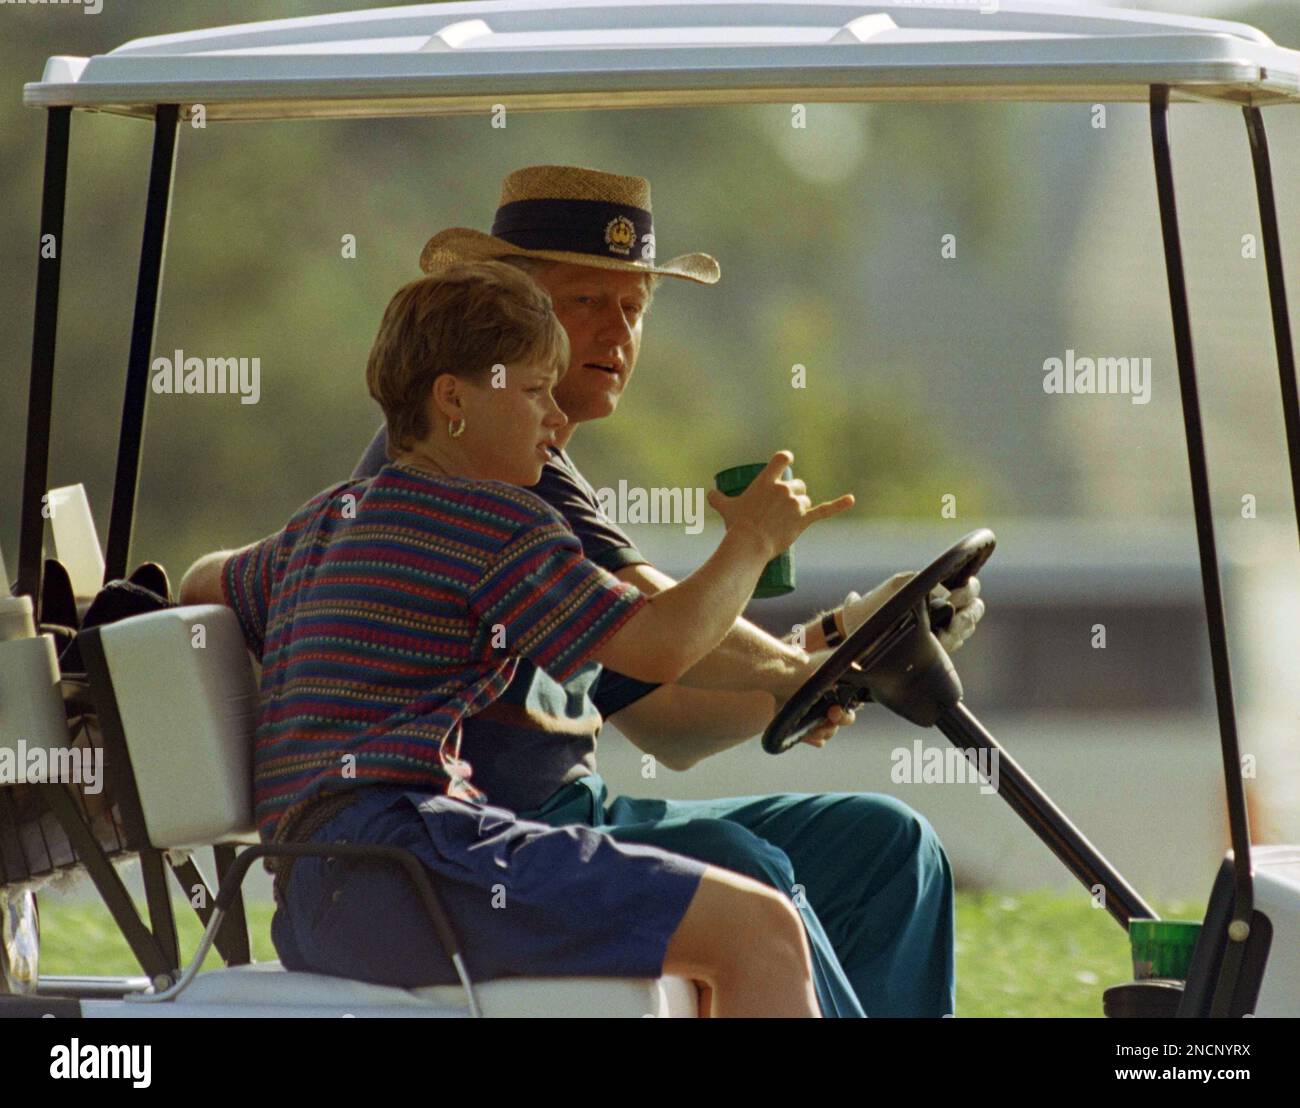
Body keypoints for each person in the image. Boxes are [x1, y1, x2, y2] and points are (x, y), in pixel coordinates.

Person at [349, 165, 985, 1017]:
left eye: (634, 309)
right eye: (585, 303)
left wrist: (829, 655)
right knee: (742, 868)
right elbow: (663, 628)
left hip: (573, 813)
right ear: (514, 311)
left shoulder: (535, 456)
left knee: (887, 846)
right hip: (486, 839)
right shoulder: (480, 467)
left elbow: (667, 717)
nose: (616, 333)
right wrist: (806, 652)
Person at [180, 260, 857, 1016]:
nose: (557, 420)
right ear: (453, 400)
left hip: (313, 897)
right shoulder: (492, 522)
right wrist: (753, 544)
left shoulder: (321, 524)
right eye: (534, 391)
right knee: (759, 927)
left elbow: (203, 581)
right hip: (402, 870)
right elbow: (661, 644)